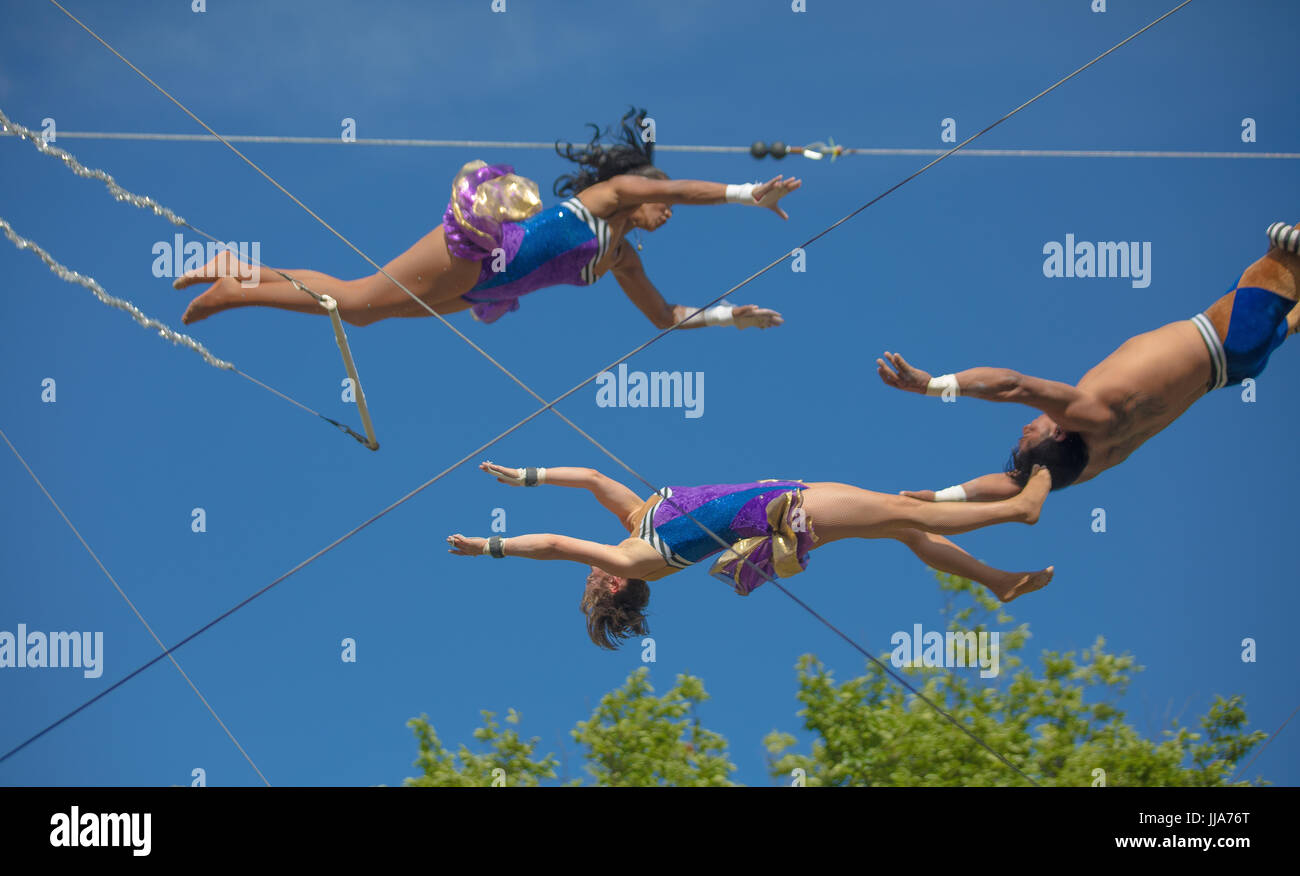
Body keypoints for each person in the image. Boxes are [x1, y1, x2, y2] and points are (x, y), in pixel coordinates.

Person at [175, 108, 796, 331]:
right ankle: (240, 285)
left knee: (361, 311)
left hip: (479, 287)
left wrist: (726, 314)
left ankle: (243, 274)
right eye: (662, 205)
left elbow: (664, 318)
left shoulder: (622, 259)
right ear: (643, 195)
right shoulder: (609, 196)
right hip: (477, 248)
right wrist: (747, 193)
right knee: (360, 300)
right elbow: (686, 191)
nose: (668, 214)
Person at [877, 220, 1300, 500]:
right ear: (1059, 434)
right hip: (1226, 335)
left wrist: (938, 498)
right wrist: (934, 385)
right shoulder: (1087, 414)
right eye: (1031, 433)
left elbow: (1011, 486)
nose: (1026, 426)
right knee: (1289, 245)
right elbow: (1012, 384)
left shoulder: (1091, 464)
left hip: (1234, 369)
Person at [446, 461, 1055, 649]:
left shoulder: (639, 519)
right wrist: (488, 546)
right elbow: (552, 543)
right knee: (909, 515)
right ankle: (1016, 512)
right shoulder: (637, 557)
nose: (592, 565)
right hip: (788, 513)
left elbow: (589, 476)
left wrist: (527, 476)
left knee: (903, 526)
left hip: (788, 500)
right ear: (611, 586)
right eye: (593, 577)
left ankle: (997, 579)